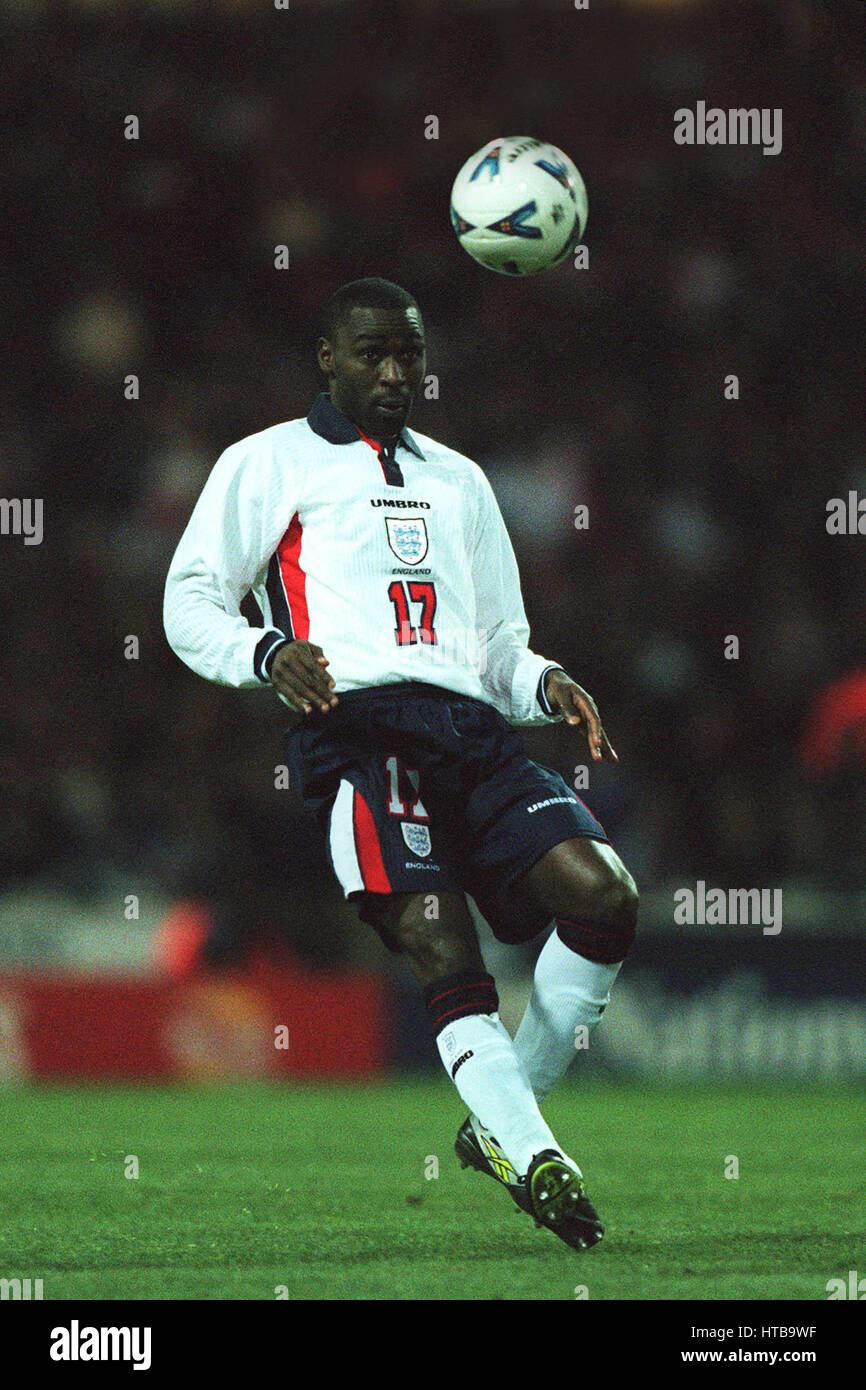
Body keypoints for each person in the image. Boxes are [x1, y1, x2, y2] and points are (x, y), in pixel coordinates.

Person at [164, 277, 638, 1252]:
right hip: (361, 736)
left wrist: (544, 682)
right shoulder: (265, 463)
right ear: (326, 358)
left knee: (604, 896)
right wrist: (261, 653)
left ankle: (496, 1124)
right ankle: (535, 1154)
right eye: (370, 353)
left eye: (406, 355)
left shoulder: (459, 479)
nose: (391, 371)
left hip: (473, 735)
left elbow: (499, 638)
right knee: (439, 941)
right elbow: (190, 599)